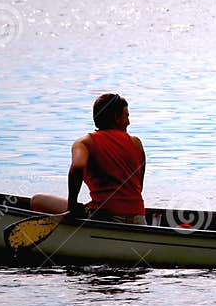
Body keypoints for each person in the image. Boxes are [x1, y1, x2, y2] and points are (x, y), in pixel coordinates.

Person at [31, 93, 147, 225]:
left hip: (105, 217)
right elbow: (138, 188)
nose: (129, 122)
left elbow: (78, 167)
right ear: (116, 118)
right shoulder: (136, 143)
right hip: (139, 218)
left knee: (37, 200)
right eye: (126, 116)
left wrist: (72, 206)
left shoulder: (84, 143)